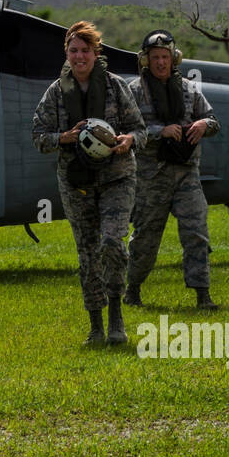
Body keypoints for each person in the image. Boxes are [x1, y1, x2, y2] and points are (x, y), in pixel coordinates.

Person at [32, 21, 146, 346]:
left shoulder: (115, 87)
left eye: (85, 50)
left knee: (111, 242)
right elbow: (38, 137)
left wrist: (127, 140)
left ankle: (116, 317)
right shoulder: (55, 93)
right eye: (73, 51)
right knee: (87, 254)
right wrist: (64, 137)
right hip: (76, 183)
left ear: (96, 53)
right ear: (66, 54)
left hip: (117, 177)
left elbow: (141, 130)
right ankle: (96, 327)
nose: (79, 57)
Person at [125, 30, 221, 310]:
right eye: (155, 57)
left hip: (186, 174)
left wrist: (204, 125)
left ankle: (202, 294)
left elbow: (214, 120)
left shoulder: (190, 90)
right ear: (146, 60)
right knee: (145, 237)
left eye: (165, 57)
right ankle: (132, 289)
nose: (161, 63)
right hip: (151, 177)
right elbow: (126, 132)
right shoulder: (133, 91)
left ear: (174, 58)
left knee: (196, 232)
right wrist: (159, 131)